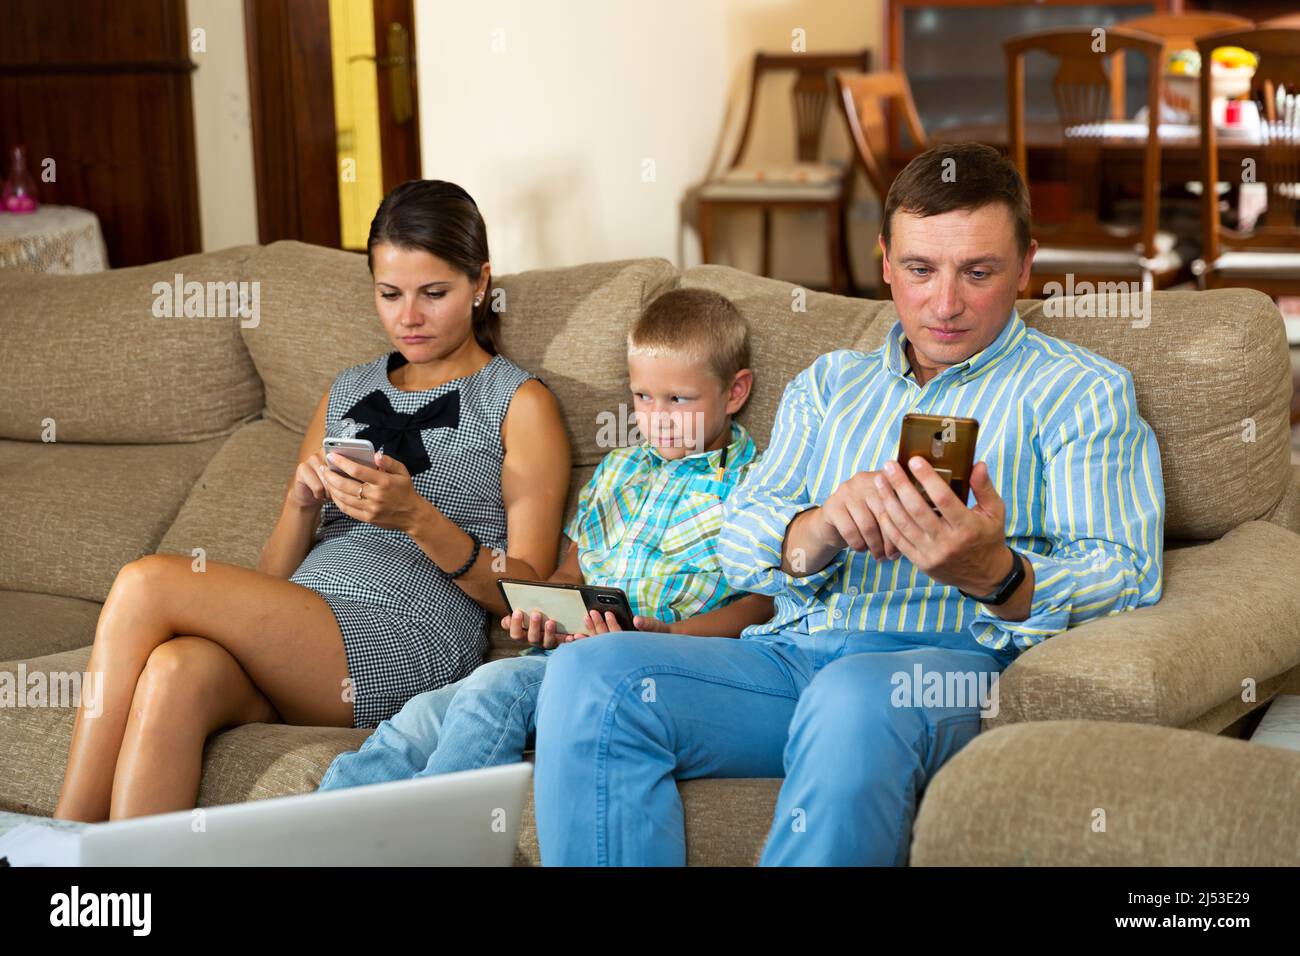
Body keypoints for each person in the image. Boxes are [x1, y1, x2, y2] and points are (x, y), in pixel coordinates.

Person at [532, 142, 1166, 865]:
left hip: (945, 668)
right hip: (790, 659)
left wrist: (997, 571)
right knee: (593, 675)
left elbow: (1126, 574)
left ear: (1026, 267)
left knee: (855, 698)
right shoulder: (830, 384)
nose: (945, 302)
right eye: (921, 269)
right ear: (886, 264)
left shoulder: (1082, 392)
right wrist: (822, 523)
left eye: (979, 272)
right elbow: (739, 538)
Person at [54, 180, 570, 821]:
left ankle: (61, 846)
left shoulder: (521, 404)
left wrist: (416, 517)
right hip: (300, 630)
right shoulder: (348, 387)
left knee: (146, 582)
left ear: (479, 283)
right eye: (389, 294)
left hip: (404, 637)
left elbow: (527, 588)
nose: (408, 316)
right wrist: (301, 502)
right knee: (174, 672)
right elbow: (272, 581)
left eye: (433, 294)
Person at [316, 288, 774, 789]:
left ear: (735, 392)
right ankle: (320, 832)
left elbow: (764, 603)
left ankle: (437, 841)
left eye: (678, 400)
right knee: (417, 718)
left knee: (494, 689)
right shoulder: (620, 470)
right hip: (568, 654)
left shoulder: (755, 485)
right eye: (642, 396)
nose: (656, 418)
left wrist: (670, 638)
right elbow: (568, 576)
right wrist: (544, 613)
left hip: (661, 666)